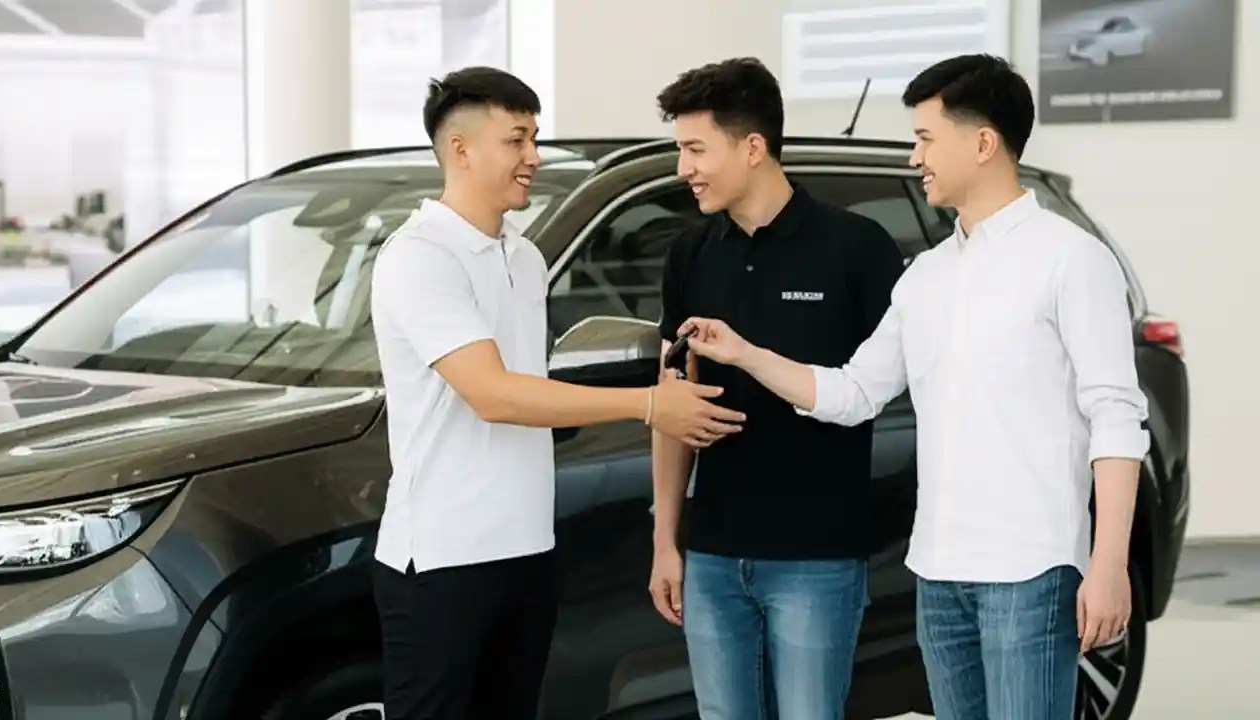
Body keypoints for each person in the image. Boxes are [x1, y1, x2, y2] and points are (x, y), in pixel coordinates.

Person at [675, 54, 1149, 720]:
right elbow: (853, 393)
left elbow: (1116, 416)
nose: (914, 157)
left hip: (1032, 573)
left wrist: (1108, 565)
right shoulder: (926, 276)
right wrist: (746, 353)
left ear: (982, 143)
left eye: (925, 138)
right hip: (937, 572)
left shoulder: (1071, 259)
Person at [369, 66, 747, 720]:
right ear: (460, 150)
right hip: (439, 562)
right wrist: (649, 404)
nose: (533, 158)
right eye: (516, 141)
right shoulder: (420, 257)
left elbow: (533, 381)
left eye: (534, 139)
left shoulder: (524, 257)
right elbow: (495, 395)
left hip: (526, 551)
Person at [648, 57, 905, 719]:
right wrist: (665, 542)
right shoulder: (690, 254)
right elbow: (670, 403)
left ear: (753, 147)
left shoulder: (857, 249)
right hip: (711, 559)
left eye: (696, 149)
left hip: (816, 559)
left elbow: (881, 389)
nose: (684, 169)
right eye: (681, 150)